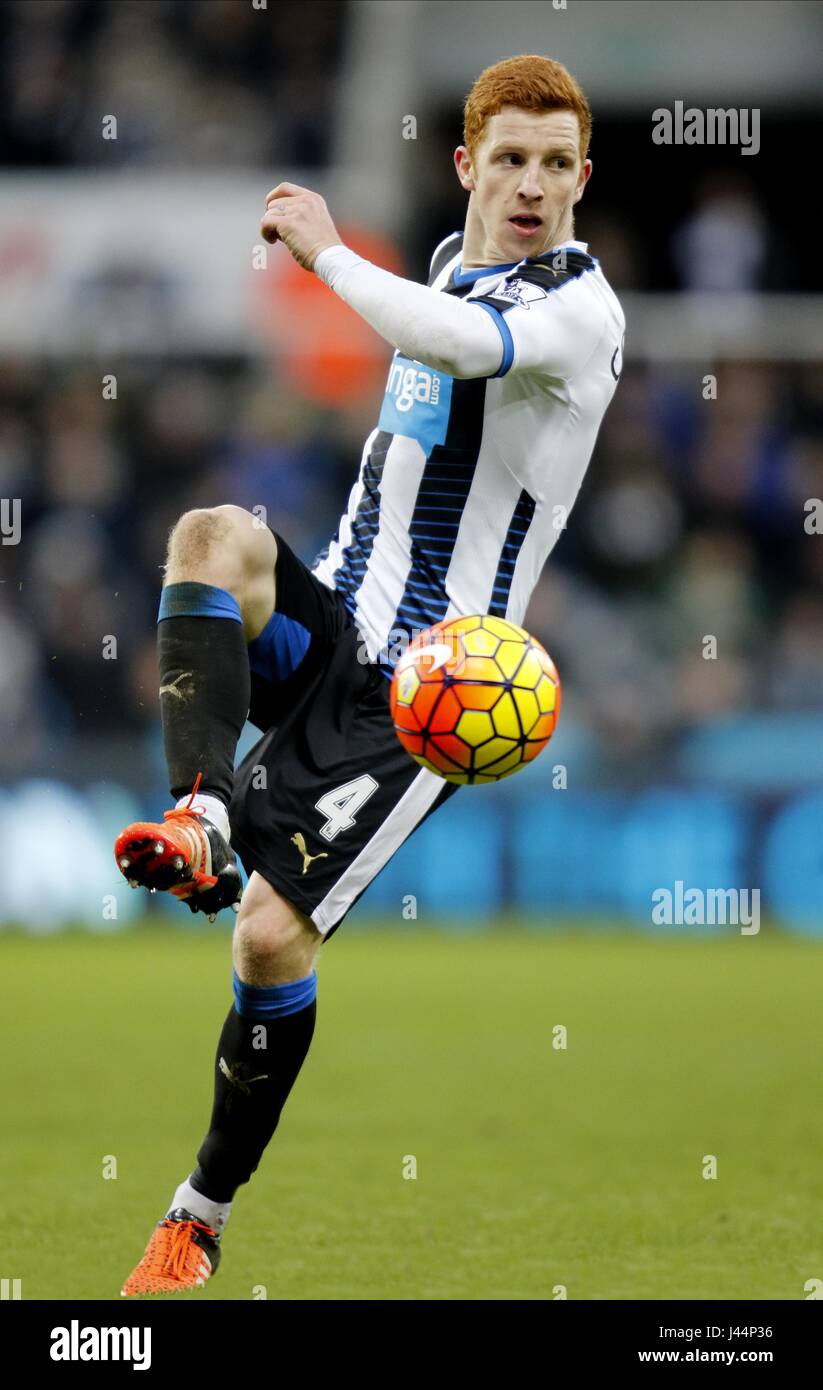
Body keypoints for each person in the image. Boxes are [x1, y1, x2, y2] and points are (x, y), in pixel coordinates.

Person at [116, 52, 625, 1295]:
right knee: (211, 539)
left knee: (268, 941)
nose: (532, 185)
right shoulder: (452, 266)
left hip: (431, 689)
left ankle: (197, 1216)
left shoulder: (576, 309)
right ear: (465, 166)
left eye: (556, 164)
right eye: (509, 158)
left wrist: (329, 255)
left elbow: (454, 345)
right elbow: (423, 366)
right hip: (341, 607)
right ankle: (199, 807)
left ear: (581, 181)